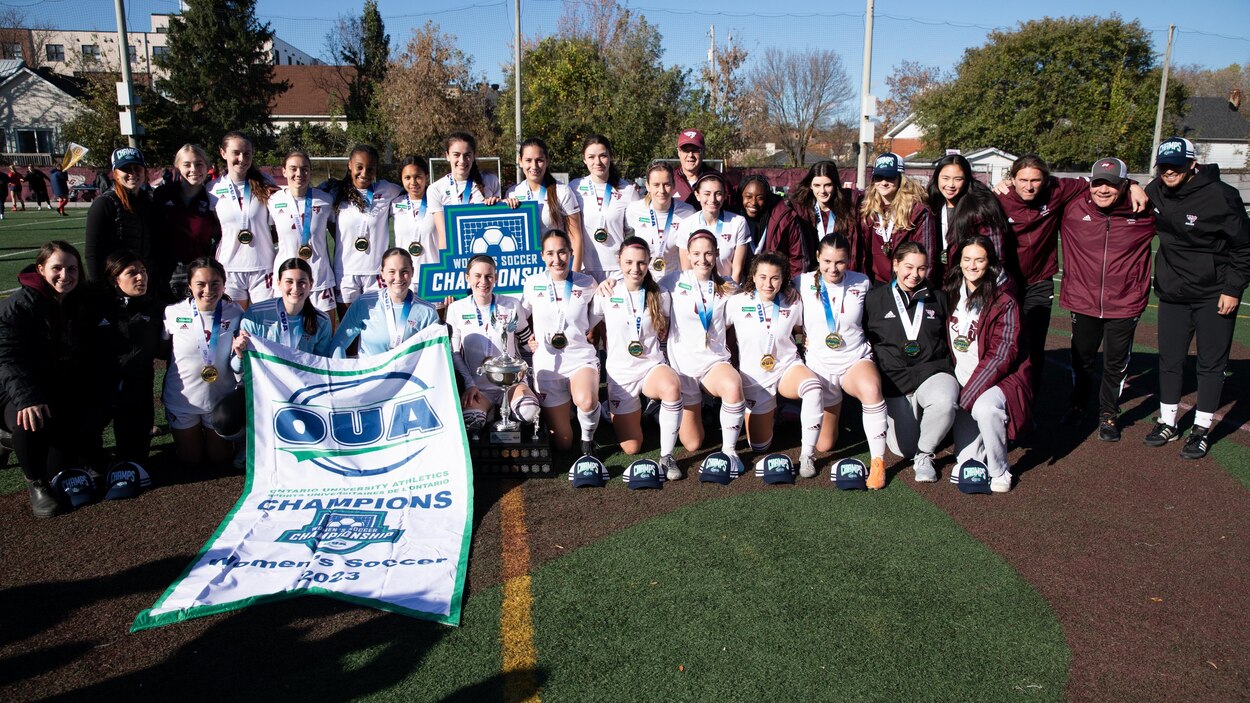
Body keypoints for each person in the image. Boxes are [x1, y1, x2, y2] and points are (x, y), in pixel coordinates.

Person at [993, 154, 1147, 399]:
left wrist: (1135, 186)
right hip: (1004, 284)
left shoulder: (1058, 189)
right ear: (1012, 179)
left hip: (1039, 282)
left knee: (1034, 348)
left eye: (1036, 180)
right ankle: (1002, 398)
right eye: (1022, 179)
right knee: (1001, 345)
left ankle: (1029, 404)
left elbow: (1096, 181)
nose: (1029, 186)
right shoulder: (998, 199)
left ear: (1046, 180)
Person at [1143, 137, 1250, 459]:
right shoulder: (1154, 190)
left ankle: (1202, 428)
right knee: (1170, 361)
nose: (1169, 171)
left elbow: (1244, 248)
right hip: (1173, 293)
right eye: (1164, 165)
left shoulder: (1221, 196)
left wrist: (1233, 289)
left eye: (1176, 165)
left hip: (1213, 295)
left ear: (1193, 164)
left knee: (1211, 365)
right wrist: (1134, 188)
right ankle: (1168, 422)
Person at [1058, 158, 1156, 439]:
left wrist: (1138, 186)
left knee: (1115, 362)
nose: (1103, 190)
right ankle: (1078, 405)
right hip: (1082, 300)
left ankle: (1109, 415)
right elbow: (1045, 185)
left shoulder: (1144, 211)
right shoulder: (1073, 208)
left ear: (1124, 185)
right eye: (1098, 182)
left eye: (1111, 184)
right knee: (1082, 359)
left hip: (1125, 302)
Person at [0, 242, 96, 517]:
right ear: (41, 269)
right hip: (11, 388)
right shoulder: (18, 306)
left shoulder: (78, 302)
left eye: (72, 269)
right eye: (57, 268)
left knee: (63, 465)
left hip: (52, 386)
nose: (65, 275)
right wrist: (27, 397)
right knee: (29, 419)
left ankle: (9, 441)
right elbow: (7, 359)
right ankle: (35, 482)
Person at [863, 242, 958, 487]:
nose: (914, 275)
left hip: (931, 372)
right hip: (895, 381)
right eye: (908, 267)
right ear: (895, 265)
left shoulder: (938, 297)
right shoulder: (874, 299)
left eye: (922, 268)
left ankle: (925, 455)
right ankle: (923, 434)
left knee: (946, 401)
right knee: (903, 449)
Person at [795, 233, 889, 480]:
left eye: (840, 262)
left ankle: (878, 462)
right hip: (820, 365)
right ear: (817, 257)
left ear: (849, 260)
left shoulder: (862, 282)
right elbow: (781, 309)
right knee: (825, 444)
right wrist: (797, 333)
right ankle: (808, 453)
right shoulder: (802, 282)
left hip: (854, 360)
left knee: (871, 389)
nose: (832, 268)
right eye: (826, 261)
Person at [945, 236, 1032, 493]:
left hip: (998, 379)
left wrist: (968, 394)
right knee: (966, 461)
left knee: (984, 409)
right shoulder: (951, 292)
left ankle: (1000, 469)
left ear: (990, 263)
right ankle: (979, 447)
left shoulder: (1005, 301)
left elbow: (1001, 356)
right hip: (962, 376)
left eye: (979, 260)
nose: (972, 266)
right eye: (967, 259)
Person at [726, 252, 823, 477]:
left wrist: (810, 337)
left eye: (775, 278)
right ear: (753, 276)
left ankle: (807, 455)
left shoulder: (793, 300)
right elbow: (721, 331)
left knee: (813, 388)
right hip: (754, 377)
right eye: (762, 277)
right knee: (760, 446)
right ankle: (772, 410)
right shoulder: (738, 302)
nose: (768, 284)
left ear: (783, 279)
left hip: (787, 367)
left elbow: (802, 327)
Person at [659, 229, 747, 478]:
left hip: (713, 364)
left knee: (732, 385)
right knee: (693, 444)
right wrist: (607, 283)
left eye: (708, 253)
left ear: (717, 254)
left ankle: (730, 452)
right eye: (696, 253)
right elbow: (642, 290)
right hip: (683, 369)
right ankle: (662, 414)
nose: (702, 259)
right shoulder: (672, 280)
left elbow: (756, 300)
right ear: (688, 253)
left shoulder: (729, 286)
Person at [592, 237, 683, 476]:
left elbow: (666, 327)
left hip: (650, 366)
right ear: (619, 261)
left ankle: (667, 457)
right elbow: (584, 326)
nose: (635, 268)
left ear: (649, 262)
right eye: (629, 262)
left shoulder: (660, 293)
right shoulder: (607, 292)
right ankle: (608, 409)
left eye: (641, 263)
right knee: (632, 447)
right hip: (620, 374)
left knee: (672, 387)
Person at [520, 230, 602, 453]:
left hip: (579, 359)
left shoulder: (587, 283)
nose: (557, 260)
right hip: (547, 366)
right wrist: (526, 339)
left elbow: (594, 317)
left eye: (562, 252)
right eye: (550, 253)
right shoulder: (532, 283)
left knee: (585, 400)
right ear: (542, 256)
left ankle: (588, 439)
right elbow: (519, 315)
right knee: (563, 444)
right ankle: (569, 414)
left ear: (571, 253)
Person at [162, 257, 243, 469]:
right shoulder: (172, 313)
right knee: (191, 461)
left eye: (215, 283)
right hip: (182, 400)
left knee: (220, 460)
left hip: (219, 399)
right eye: (201, 284)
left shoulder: (235, 313)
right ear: (190, 285)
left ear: (224, 284)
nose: (208, 290)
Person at [447, 255, 541, 432]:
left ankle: (506, 409)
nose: (483, 281)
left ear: (496, 278)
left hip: (513, 382)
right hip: (478, 387)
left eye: (489, 276)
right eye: (477, 276)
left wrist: (537, 346)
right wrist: (469, 384)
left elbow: (527, 341)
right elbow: (455, 353)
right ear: (467, 278)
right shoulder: (456, 309)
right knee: (472, 421)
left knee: (529, 412)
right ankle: (490, 410)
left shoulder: (511, 304)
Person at [92, 250, 163, 469]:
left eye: (143, 271)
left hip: (138, 388)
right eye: (132, 273)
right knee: (86, 455)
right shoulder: (95, 307)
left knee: (135, 460)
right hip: (98, 388)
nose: (141, 277)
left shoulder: (157, 307)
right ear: (115, 277)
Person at [329, 144, 404, 319]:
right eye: (359, 167)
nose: (364, 173)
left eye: (370, 169)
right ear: (349, 165)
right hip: (345, 272)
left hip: (376, 272)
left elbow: (416, 193)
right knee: (349, 330)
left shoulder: (387, 190)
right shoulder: (335, 192)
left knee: (377, 327)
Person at [329, 248, 440, 358]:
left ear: (412, 272)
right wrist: (340, 372)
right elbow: (339, 343)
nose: (398, 278)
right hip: (371, 375)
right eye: (392, 272)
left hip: (408, 376)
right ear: (382, 273)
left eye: (404, 271)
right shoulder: (364, 304)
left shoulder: (428, 311)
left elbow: (436, 354)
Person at [209, 132, 275, 310]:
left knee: (264, 325)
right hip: (229, 268)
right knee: (235, 326)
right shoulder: (212, 189)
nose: (242, 159)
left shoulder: (266, 183)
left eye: (247, 154)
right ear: (223, 153)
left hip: (263, 267)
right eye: (236, 153)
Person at [267, 151, 335, 315]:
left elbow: (337, 233)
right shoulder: (273, 201)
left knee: (324, 334)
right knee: (286, 334)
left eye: (304, 169)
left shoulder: (326, 200)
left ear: (310, 171)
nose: (299, 174)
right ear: (284, 172)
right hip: (287, 279)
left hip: (320, 277)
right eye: (293, 169)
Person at [232, 258, 333, 368]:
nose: (295, 288)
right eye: (289, 281)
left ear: (311, 284)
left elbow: (322, 366)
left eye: (302, 282)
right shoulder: (255, 315)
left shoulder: (322, 321)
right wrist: (240, 356)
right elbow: (238, 369)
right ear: (279, 283)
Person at [84, 147, 162, 287]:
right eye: (126, 169)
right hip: (116, 284)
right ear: (116, 173)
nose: (132, 173)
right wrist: (98, 288)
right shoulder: (104, 204)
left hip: (146, 283)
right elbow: (92, 253)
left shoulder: (149, 202)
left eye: (137, 168)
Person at [858, 153, 937, 287]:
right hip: (875, 283)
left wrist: (918, 289)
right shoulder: (867, 209)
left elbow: (926, 256)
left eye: (890, 177)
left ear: (901, 179)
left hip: (907, 283)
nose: (883, 182)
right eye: (878, 177)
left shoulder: (917, 211)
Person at [570, 135, 639, 281]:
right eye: (591, 157)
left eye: (603, 156)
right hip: (584, 269)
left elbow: (636, 234)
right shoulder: (574, 187)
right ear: (584, 159)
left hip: (617, 272)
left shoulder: (627, 190)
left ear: (611, 156)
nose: (597, 162)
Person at [152, 144, 221, 287]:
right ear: (177, 167)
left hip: (199, 275)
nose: (194, 169)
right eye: (187, 165)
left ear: (207, 167)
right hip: (165, 275)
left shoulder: (212, 198)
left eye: (199, 164)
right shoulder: (163, 194)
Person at [427, 131, 503, 251]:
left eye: (467, 155)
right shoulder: (435, 189)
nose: (462, 161)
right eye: (456, 155)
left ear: (474, 155)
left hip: (486, 251)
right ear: (447, 155)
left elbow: (500, 222)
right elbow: (444, 237)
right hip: (456, 255)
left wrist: (500, 203)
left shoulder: (490, 180)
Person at [674, 172, 751, 284]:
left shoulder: (738, 223)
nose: (713, 199)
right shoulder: (687, 224)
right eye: (707, 193)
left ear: (725, 196)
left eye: (718, 193)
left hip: (727, 290)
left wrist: (729, 295)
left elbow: (737, 271)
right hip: (698, 292)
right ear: (697, 195)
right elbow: (687, 270)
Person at [624, 161, 696, 275]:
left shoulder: (688, 212)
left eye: (666, 184)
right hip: (643, 280)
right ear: (647, 185)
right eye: (656, 185)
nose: (661, 191)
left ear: (673, 185)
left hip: (674, 281)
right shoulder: (634, 209)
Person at [505, 138, 583, 240]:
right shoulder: (512, 193)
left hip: (554, 255)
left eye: (539, 160)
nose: (534, 166)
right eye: (528, 160)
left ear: (547, 161)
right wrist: (495, 204)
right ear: (520, 161)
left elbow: (575, 237)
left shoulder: (562, 191)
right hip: (527, 256)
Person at [788, 160, 858, 271]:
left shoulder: (849, 208)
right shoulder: (799, 210)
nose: (822, 191)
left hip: (839, 273)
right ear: (810, 185)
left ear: (835, 185)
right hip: (810, 274)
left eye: (827, 185)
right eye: (817, 185)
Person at [738, 174, 807, 279]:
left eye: (760, 198)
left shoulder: (784, 217)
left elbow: (797, 257)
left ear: (767, 198)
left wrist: (791, 285)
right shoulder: (733, 218)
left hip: (774, 286)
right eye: (748, 196)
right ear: (741, 196)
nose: (753, 202)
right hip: (739, 285)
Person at [392, 156, 439, 293]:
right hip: (404, 277)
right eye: (407, 178)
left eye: (418, 177)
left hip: (433, 275)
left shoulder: (439, 201)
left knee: (434, 315)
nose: (413, 182)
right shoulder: (394, 204)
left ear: (426, 176)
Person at [671, 128, 727, 209]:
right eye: (685, 151)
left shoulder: (719, 180)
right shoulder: (669, 180)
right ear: (678, 152)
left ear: (703, 152)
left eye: (695, 150)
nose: (690, 155)